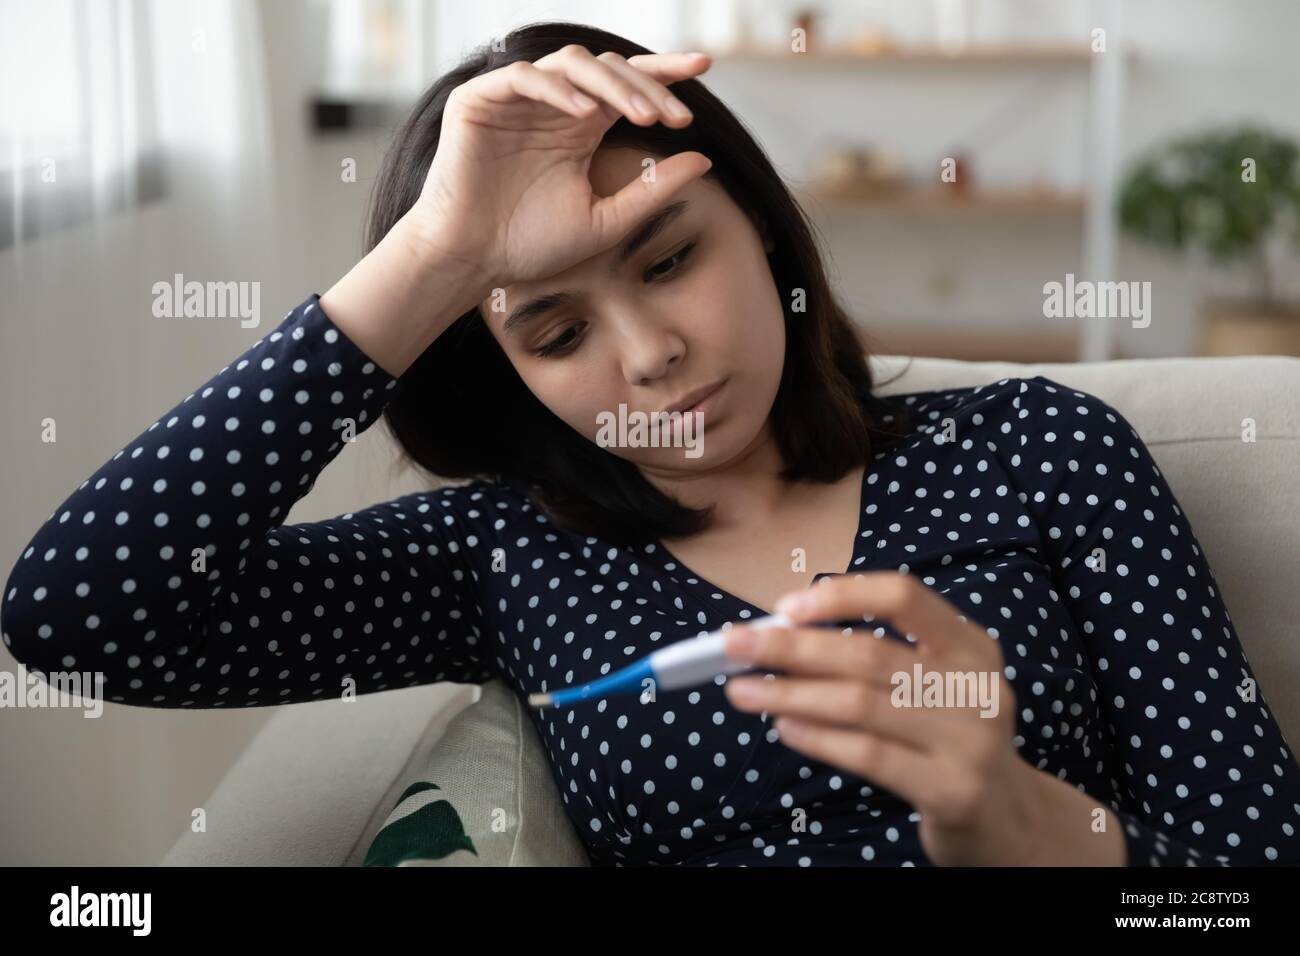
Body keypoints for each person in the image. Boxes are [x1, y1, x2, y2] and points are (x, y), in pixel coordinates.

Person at [4, 22, 1298, 867]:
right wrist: (435, 259)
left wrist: (1030, 827)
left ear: (770, 238)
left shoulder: (1037, 448)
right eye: (555, 332)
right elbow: (75, 618)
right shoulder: (508, 554)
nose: (649, 357)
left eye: (671, 260)